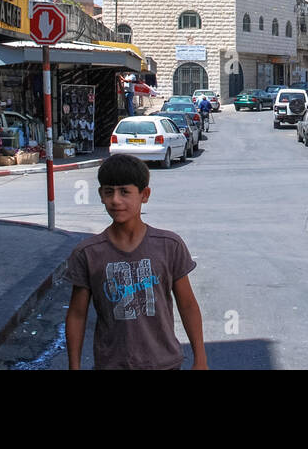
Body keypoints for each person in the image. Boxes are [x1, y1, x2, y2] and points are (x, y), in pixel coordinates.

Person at [65, 154, 207, 370]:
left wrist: (200, 359)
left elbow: (187, 305)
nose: (116, 200)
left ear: (145, 194)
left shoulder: (169, 245)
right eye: (109, 192)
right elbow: (76, 314)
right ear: (101, 195)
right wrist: (73, 366)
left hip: (164, 363)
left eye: (125, 192)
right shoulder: (88, 253)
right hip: (111, 364)